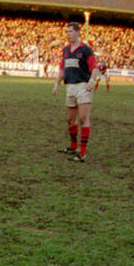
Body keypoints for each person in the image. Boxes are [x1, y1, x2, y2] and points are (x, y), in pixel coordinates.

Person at [51, 21, 102, 162]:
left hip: (83, 86)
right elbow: (62, 69)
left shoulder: (85, 49)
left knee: (83, 118)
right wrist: (56, 84)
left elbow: (95, 68)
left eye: (71, 31)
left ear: (78, 32)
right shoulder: (66, 50)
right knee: (70, 119)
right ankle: (73, 146)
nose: (68, 34)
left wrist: (92, 81)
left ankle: (82, 152)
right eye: (67, 32)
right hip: (70, 87)